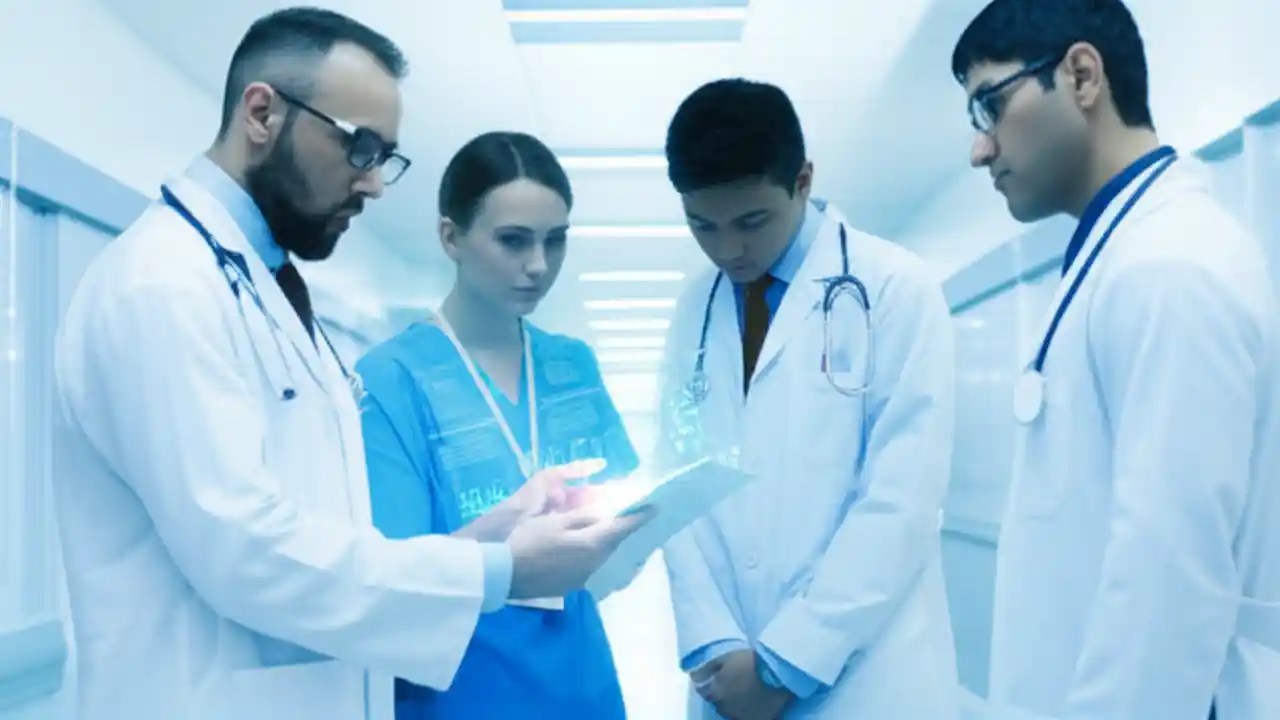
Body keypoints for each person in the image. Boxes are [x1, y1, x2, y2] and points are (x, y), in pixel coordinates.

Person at [51, 9, 644, 720]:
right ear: (262, 113)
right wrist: (502, 569)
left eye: (385, 156)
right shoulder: (162, 285)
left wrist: (498, 530)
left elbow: (333, 538)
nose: (374, 184)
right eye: (360, 147)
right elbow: (246, 552)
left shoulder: (257, 285)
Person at [952, 1, 1280, 718]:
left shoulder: (1171, 267)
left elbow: (1170, 580)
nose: (980, 149)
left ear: (1081, 75)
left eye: (990, 107)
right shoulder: (1126, 255)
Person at [655, 77, 959, 720]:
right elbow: (678, 485)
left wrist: (783, 666)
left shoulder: (895, 289)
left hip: (863, 679)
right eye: (701, 226)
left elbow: (901, 499)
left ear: (803, 180)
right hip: (726, 676)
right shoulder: (695, 307)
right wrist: (716, 644)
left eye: (751, 221)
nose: (727, 249)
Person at [356, 131, 641, 719]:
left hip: (581, 681)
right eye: (513, 241)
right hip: (461, 691)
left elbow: (623, 517)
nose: (538, 266)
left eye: (554, 241)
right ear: (450, 236)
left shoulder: (571, 364)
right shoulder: (390, 379)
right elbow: (391, 578)